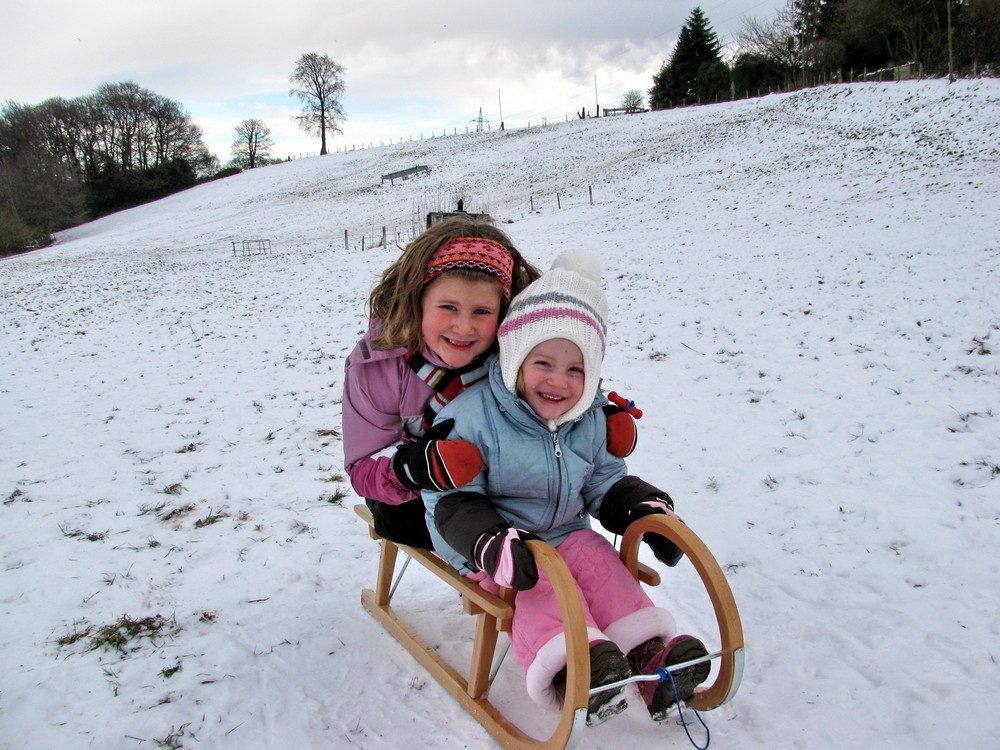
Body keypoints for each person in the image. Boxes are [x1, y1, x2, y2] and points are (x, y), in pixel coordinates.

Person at [422, 251, 710, 726]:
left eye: (576, 370)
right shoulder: (472, 418)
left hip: (570, 531)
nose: (559, 381)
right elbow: (449, 499)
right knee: (542, 591)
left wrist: (640, 508)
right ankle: (574, 667)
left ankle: (648, 656)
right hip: (503, 550)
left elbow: (603, 480)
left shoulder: (589, 417)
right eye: (543, 363)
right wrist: (487, 540)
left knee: (605, 570)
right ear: (516, 358)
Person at [341, 218, 639, 549]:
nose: (464, 328)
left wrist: (598, 415)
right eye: (448, 307)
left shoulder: (513, 345)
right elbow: (363, 466)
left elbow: (560, 373)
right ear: (418, 300)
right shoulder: (378, 367)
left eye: (481, 311)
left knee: (545, 509)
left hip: (510, 488)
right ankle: (513, 563)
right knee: (494, 520)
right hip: (410, 500)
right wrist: (415, 468)